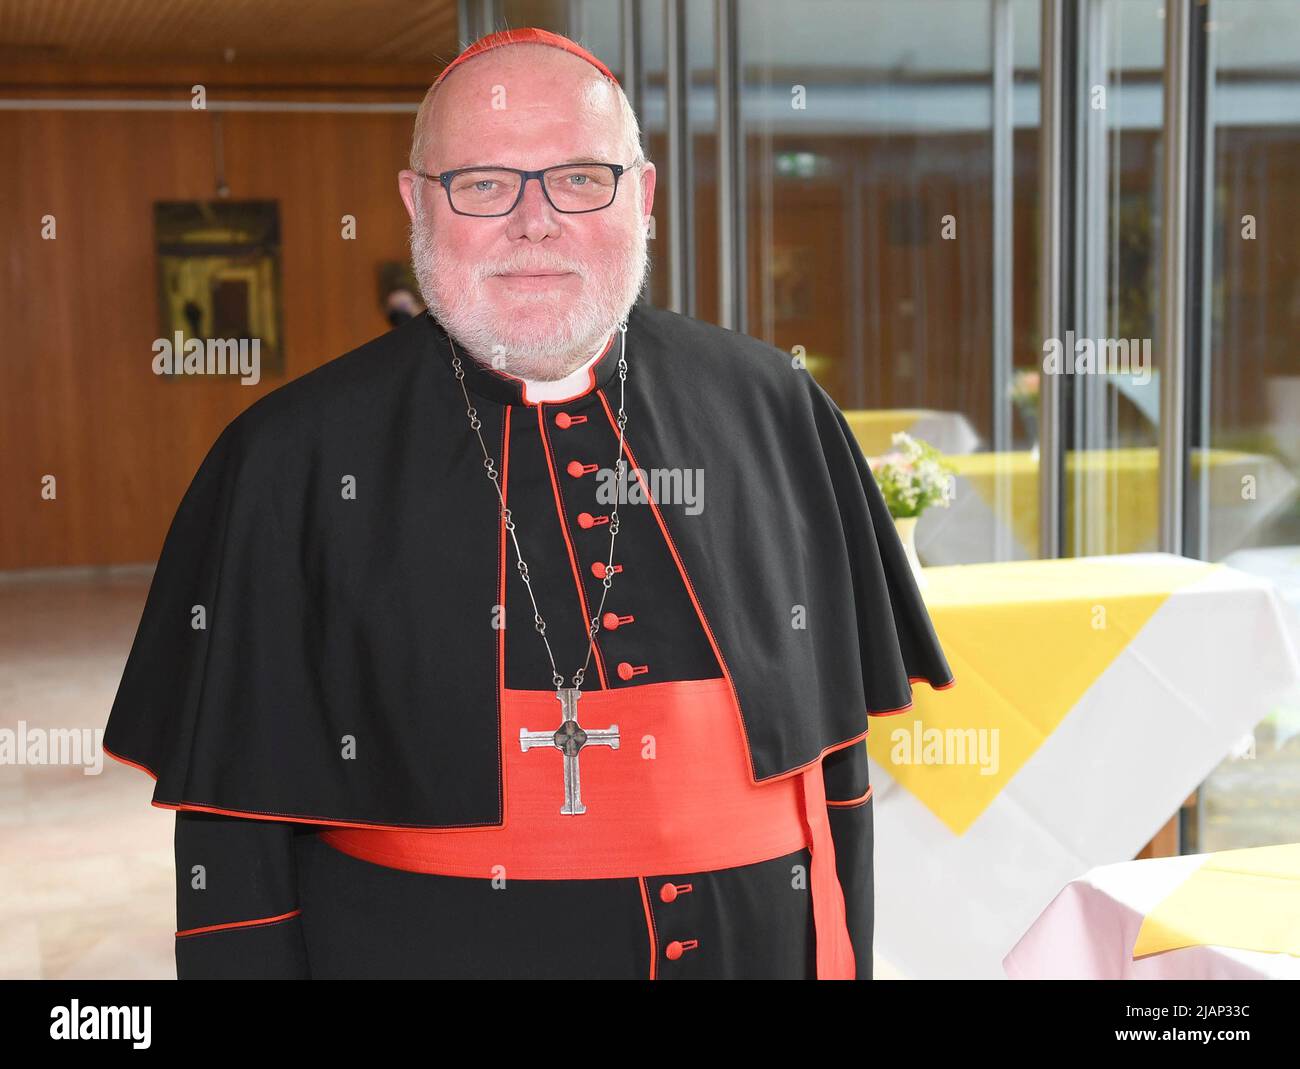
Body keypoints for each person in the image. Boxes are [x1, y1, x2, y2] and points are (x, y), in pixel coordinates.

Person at [104, 27, 954, 980]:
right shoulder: (286, 461)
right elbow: (236, 852)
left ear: (644, 196)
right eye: (483, 184)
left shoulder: (777, 409)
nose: (534, 221)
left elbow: (834, 774)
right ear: (414, 205)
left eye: (581, 178)